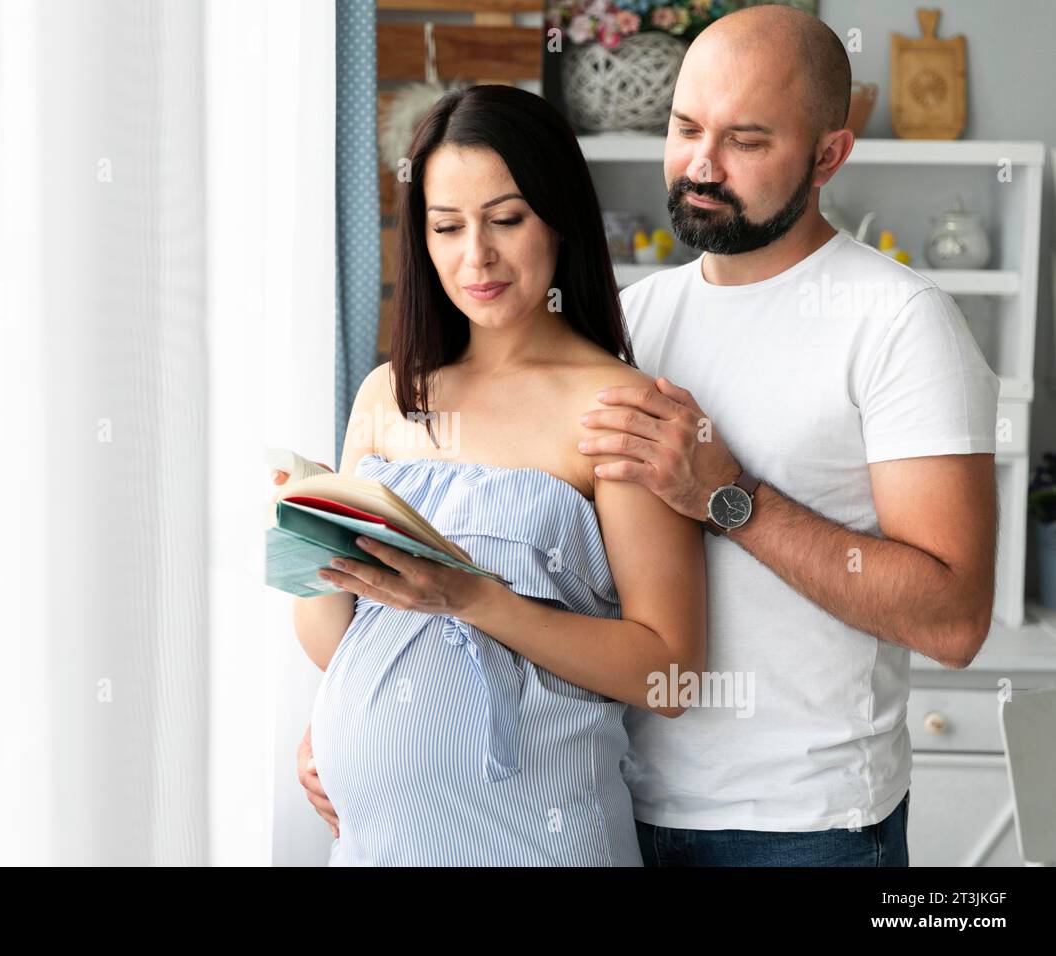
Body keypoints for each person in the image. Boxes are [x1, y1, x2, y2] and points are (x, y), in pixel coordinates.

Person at [575, 5, 999, 865]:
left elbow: (956, 622)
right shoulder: (631, 320)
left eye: (747, 141)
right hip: (613, 801)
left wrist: (728, 499)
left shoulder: (900, 323)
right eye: (686, 126)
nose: (701, 163)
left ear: (828, 157)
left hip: (804, 831)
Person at [282, 83, 705, 865]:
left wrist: (474, 599)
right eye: (447, 226)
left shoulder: (616, 406)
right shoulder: (389, 395)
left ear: (560, 220)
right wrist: (315, 555)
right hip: (380, 844)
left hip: (540, 834)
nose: (475, 256)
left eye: (506, 220)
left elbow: (670, 676)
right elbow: (336, 639)